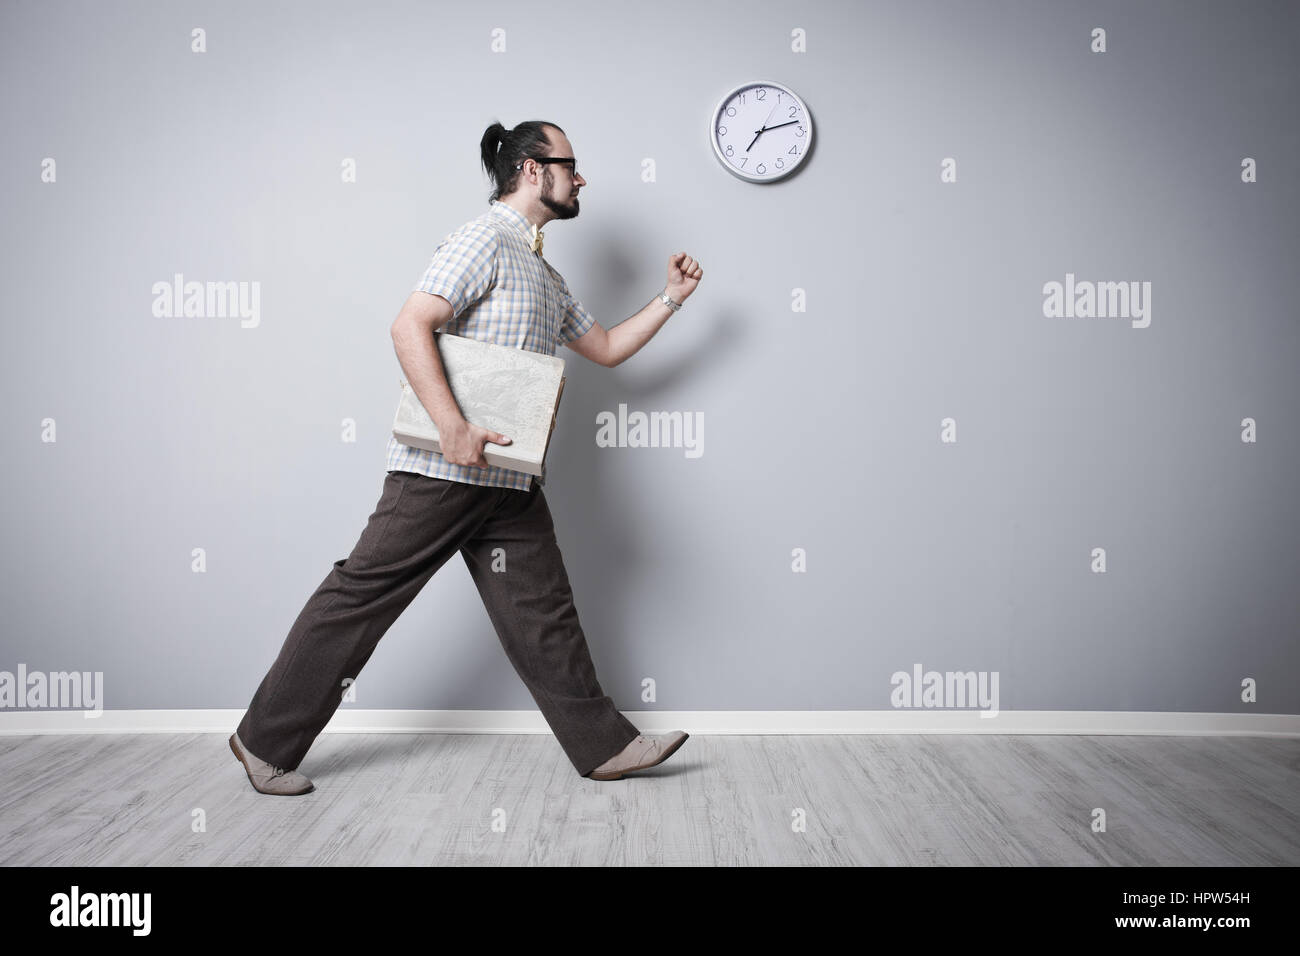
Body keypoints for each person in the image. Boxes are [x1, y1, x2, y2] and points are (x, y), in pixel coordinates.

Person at [230, 119, 704, 794]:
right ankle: (262, 742)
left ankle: (605, 747)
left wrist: (669, 301)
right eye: (572, 165)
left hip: (509, 475)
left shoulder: (540, 266)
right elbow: (409, 324)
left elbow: (604, 347)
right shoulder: (481, 239)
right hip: (446, 468)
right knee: (363, 594)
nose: (582, 177)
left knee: (544, 612)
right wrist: (452, 427)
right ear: (535, 170)